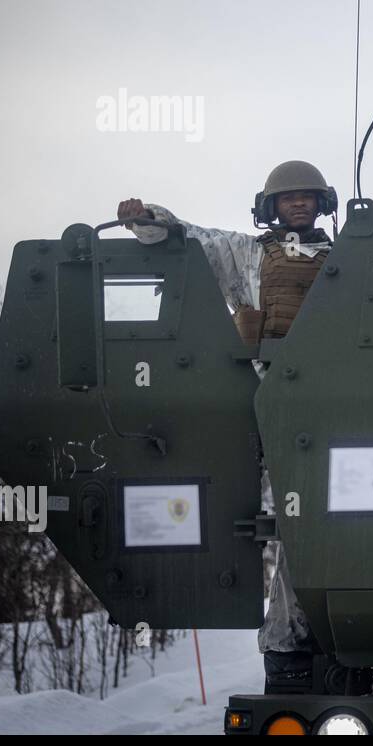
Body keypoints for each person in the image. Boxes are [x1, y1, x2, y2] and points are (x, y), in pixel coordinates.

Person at [116, 160, 338, 692]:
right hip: (268, 392)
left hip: (335, 395)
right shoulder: (245, 253)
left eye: (307, 197)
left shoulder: (348, 258)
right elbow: (189, 239)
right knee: (289, 523)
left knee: (335, 517)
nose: (299, 205)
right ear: (271, 208)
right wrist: (147, 218)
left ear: (322, 203)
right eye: (289, 199)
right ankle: (287, 644)